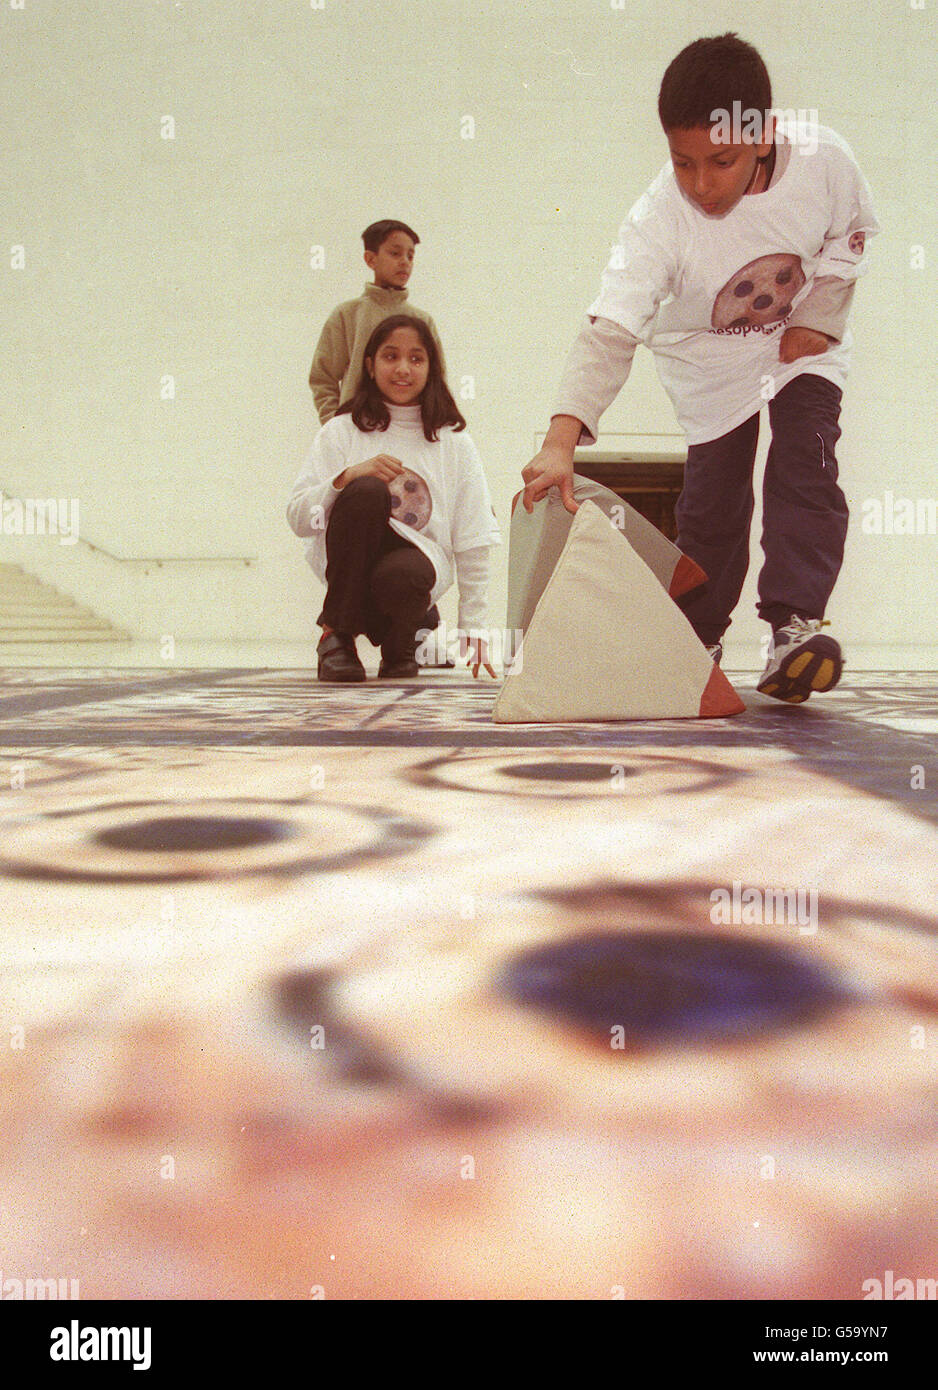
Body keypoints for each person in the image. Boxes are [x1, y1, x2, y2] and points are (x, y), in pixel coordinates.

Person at [522, 32, 878, 704]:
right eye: (683, 163)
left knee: (804, 459)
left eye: (721, 161)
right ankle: (696, 637)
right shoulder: (659, 218)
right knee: (714, 503)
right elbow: (612, 327)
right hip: (708, 357)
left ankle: (793, 627)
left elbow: (849, 240)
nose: (702, 186)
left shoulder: (827, 160)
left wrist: (818, 316)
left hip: (803, 338)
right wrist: (559, 441)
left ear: (765, 134)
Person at [288, 315, 500, 682]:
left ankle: (401, 644)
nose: (403, 369)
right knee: (367, 490)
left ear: (432, 367)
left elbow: (474, 538)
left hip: (411, 580)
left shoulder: (454, 443)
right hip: (347, 580)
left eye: (416, 359)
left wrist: (474, 630)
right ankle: (336, 638)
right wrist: (346, 478)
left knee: (405, 574)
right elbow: (298, 519)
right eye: (390, 356)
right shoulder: (340, 431)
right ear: (370, 365)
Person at [309, 219, 446, 426]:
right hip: (359, 429)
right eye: (395, 253)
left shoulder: (423, 321)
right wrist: (335, 425)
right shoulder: (347, 315)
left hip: (411, 432)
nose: (405, 262)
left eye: (410, 256)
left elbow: (437, 378)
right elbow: (323, 377)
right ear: (370, 259)